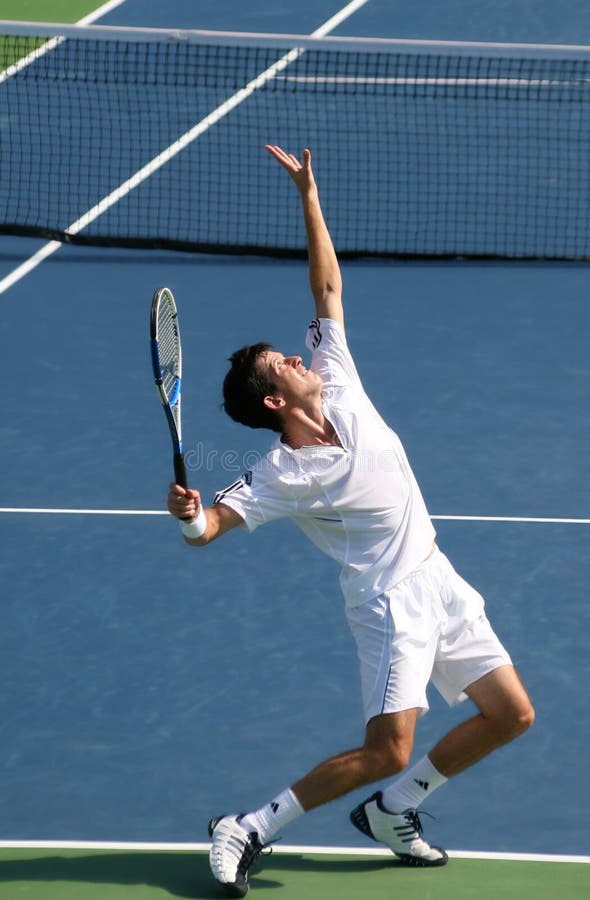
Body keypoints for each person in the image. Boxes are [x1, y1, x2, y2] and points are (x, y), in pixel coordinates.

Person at [167, 145, 535, 898]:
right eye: (286, 365)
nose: (302, 359)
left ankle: (394, 813)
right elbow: (207, 532)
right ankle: (251, 826)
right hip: (390, 603)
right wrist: (188, 515)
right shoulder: (280, 475)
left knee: (510, 713)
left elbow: (327, 283)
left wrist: (310, 192)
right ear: (274, 401)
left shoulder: (337, 378)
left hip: (439, 577)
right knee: (387, 747)